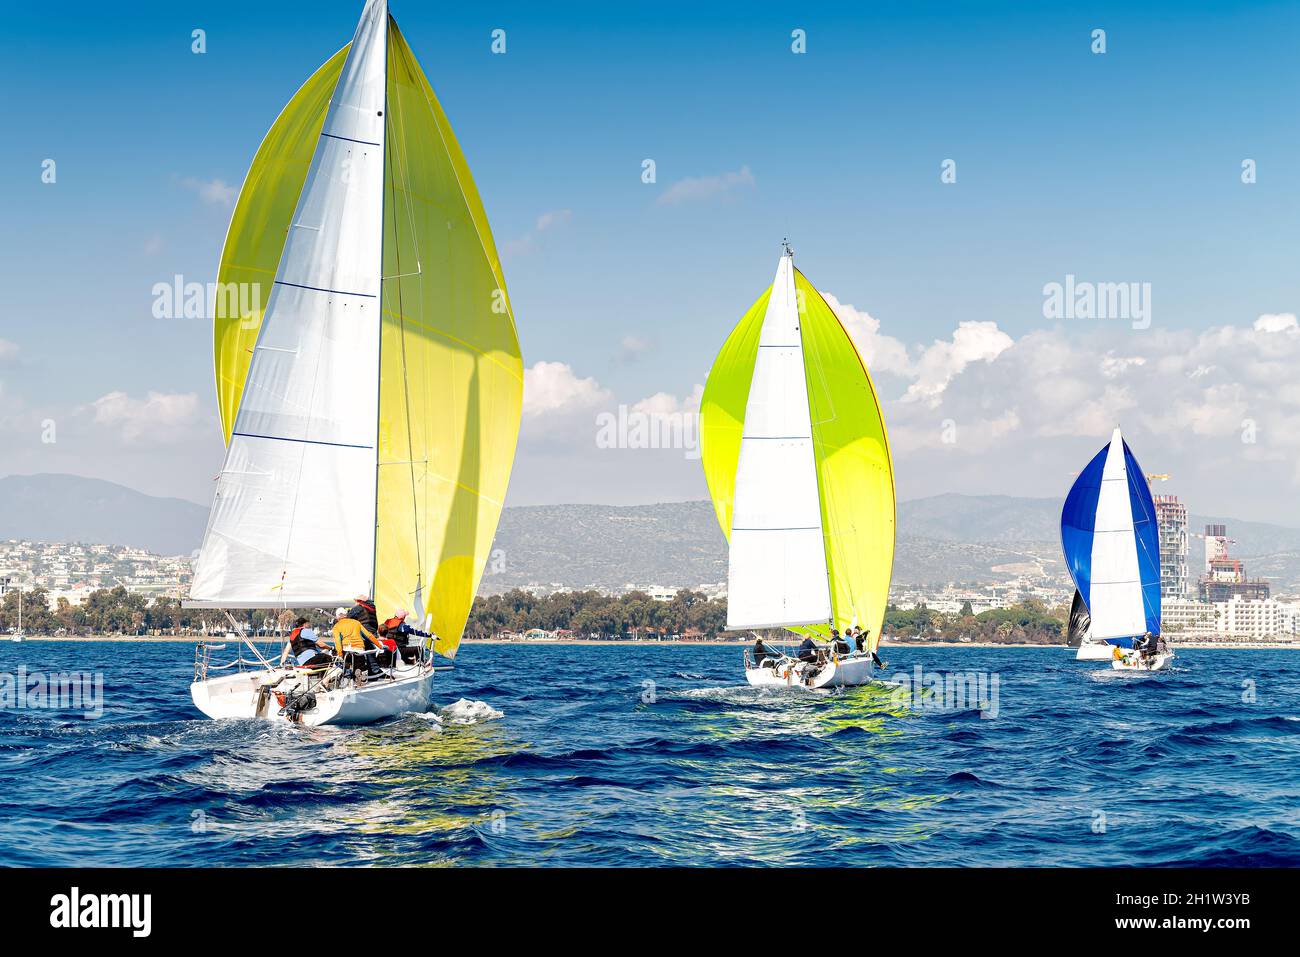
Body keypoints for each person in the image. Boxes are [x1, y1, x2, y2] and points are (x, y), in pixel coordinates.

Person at [331, 607, 384, 678]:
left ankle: (348, 676)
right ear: (346, 615)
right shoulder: (356, 623)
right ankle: (359, 673)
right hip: (360, 650)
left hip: (347, 651)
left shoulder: (336, 627)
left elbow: (338, 641)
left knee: (342, 663)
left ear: (337, 617)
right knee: (358, 664)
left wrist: (340, 654)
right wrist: (379, 646)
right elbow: (368, 636)